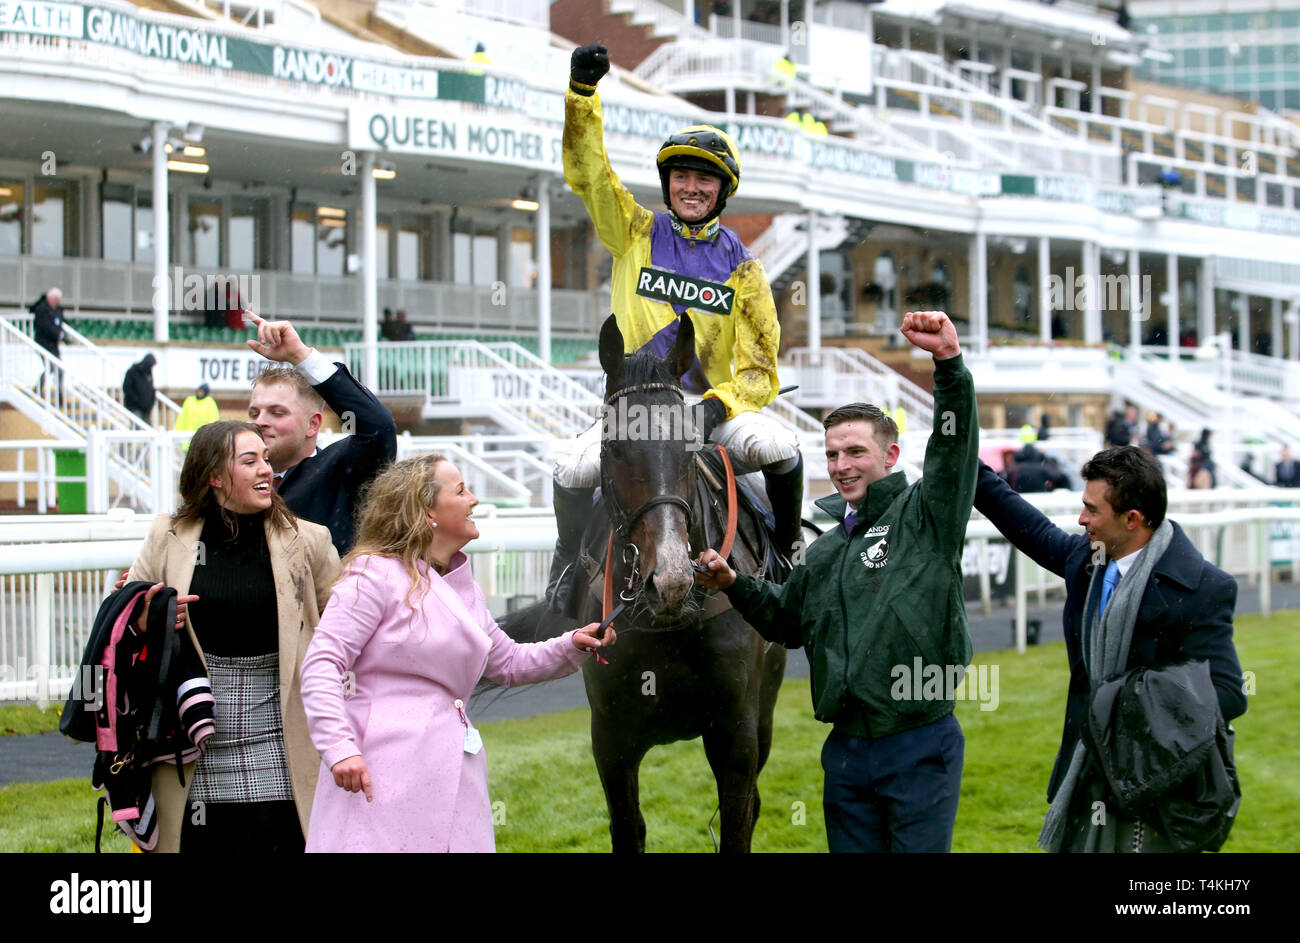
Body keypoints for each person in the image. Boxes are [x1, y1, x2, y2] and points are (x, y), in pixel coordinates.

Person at [696, 311, 977, 853]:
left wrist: (948, 365)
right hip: (845, 752)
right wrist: (735, 582)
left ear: (890, 456)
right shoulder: (824, 551)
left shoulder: (928, 517)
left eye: (855, 452)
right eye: (830, 454)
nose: (841, 465)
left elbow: (953, 448)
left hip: (919, 743)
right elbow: (787, 621)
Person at [551, 42, 803, 612]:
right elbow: (591, 176)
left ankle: (789, 555)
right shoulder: (633, 232)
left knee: (781, 446)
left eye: (705, 180)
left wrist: (716, 408)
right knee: (570, 467)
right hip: (637, 408)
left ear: (723, 191)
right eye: (682, 176)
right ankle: (566, 566)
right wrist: (582, 98)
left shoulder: (746, 269)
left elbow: (761, 370)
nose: (692, 187)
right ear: (668, 185)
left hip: (709, 411)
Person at [299, 455, 615, 852]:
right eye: (461, 490)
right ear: (426, 510)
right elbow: (322, 663)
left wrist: (571, 644)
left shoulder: (464, 586)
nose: (474, 500)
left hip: (455, 767)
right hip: (378, 772)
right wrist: (339, 747)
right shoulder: (371, 574)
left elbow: (508, 662)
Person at [972, 446, 1245, 851]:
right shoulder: (1088, 558)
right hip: (1082, 773)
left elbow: (1227, 694)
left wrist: (1120, 707)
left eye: (1092, 510)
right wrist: (961, 452)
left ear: (1132, 519)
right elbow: (1025, 523)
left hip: (1150, 787)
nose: (1082, 520)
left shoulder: (1204, 587)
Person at [126, 420, 340, 853]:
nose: (266, 469)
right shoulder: (167, 536)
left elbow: (347, 629)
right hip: (186, 746)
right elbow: (125, 619)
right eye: (250, 461)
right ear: (215, 477)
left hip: (278, 744)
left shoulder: (308, 540)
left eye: (265, 458)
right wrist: (147, 619)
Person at [245, 312, 398, 556]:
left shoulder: (343, 470)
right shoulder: (234, 479)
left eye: (277, 412)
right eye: (254, 413)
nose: (260, 422)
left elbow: (378, 426)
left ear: (313, 425)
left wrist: (300, 356)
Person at [31, 287, 65, 403]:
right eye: (56, 299)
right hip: (43, 344)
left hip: (53, 346)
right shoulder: (42, 309)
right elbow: (45, 326)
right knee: (50, 368)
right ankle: (38, 389)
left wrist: (63, 336)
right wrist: (58, 334)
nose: (58, 301)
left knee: (59, 369)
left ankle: (60, 395)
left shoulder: (58, 310)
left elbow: (61, 323)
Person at [174, 381, 220, 450]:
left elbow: (213, 419)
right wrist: (176, 432)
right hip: (187, 440)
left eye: (202, 391)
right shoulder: (189, 400)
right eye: (199, 391)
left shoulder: (210, 402)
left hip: (202, 440)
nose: (200, 393)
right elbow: (182, 418)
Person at [122, 353, 157, 424]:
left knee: (148, 430)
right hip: (135, 407)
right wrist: (136, 400)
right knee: (138, 428)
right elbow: (127, 388)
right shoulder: (132, 372)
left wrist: (151, 402)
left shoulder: (148, 374)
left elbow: (151, 389)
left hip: (146, 409)